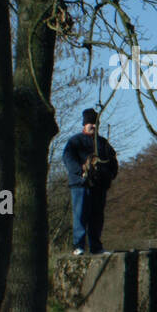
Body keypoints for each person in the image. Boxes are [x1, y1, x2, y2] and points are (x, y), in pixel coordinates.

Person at [63, 107, 119, 255]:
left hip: (99, 186)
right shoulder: (74, 142)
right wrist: (81, 171)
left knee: (97, 218)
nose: (93, 126)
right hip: (81, 185)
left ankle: (96, 247)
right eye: (90, 123)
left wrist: (110, 175)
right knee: (80, 215)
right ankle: (78, 246)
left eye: (95, 123)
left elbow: (113, 160)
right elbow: (68, 159)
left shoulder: (103, 143)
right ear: (84, 124)